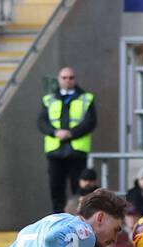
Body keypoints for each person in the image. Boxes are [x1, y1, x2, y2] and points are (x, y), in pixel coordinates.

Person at [39, 68, 97, 215]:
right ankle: (57, 218)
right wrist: (55, 132)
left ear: (75, 79)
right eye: (64, 77)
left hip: (77, 150)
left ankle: (78, 217)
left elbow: (90, 122)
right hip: (55, 151)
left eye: (71, 77)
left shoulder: (86, 98)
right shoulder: (49, 99)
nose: (67, 80)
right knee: (56, 188)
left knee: (78, 188)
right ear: (58, 79)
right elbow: (42, 122)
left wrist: (71, 133)